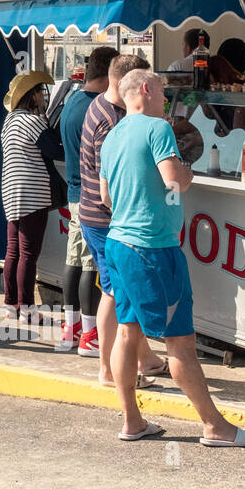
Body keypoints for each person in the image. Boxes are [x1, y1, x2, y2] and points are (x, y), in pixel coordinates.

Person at [100, 69, 245, 447]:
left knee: (127, 334)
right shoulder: (157, 128)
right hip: (153, 248)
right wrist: (187, 172)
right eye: (161, 89)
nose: (164, 97)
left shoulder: (113, 136)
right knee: (180, 343)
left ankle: (132, 422)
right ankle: (214, 427)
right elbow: (174, 179)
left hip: (119, 244)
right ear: (145, 89)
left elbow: (105, 197)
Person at [77, 55, 167, 383]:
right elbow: (111, 187)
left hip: (98, 218)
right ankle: (108, 369)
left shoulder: (104, 107)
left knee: (121, 293)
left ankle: (145, 360)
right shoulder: (110, 120)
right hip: (104, 221)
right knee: (116, 294)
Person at [57, 46, 117, 349]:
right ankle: (90, 333)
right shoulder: (97, 109)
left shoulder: (73, 102)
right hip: (89, 195)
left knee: (74, 260)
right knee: (91, 265)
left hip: (73, 190)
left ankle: (72, 327)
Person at [0, 70, 63, 326]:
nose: (42, 96)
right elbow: (54, 150)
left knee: (13, 250)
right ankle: (27, 308)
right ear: (32, 94)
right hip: (33, 192)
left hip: (11, 190)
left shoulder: (10, 120)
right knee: (29, 253)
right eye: (40, 92)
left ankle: (10, 304)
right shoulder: (34, 122)